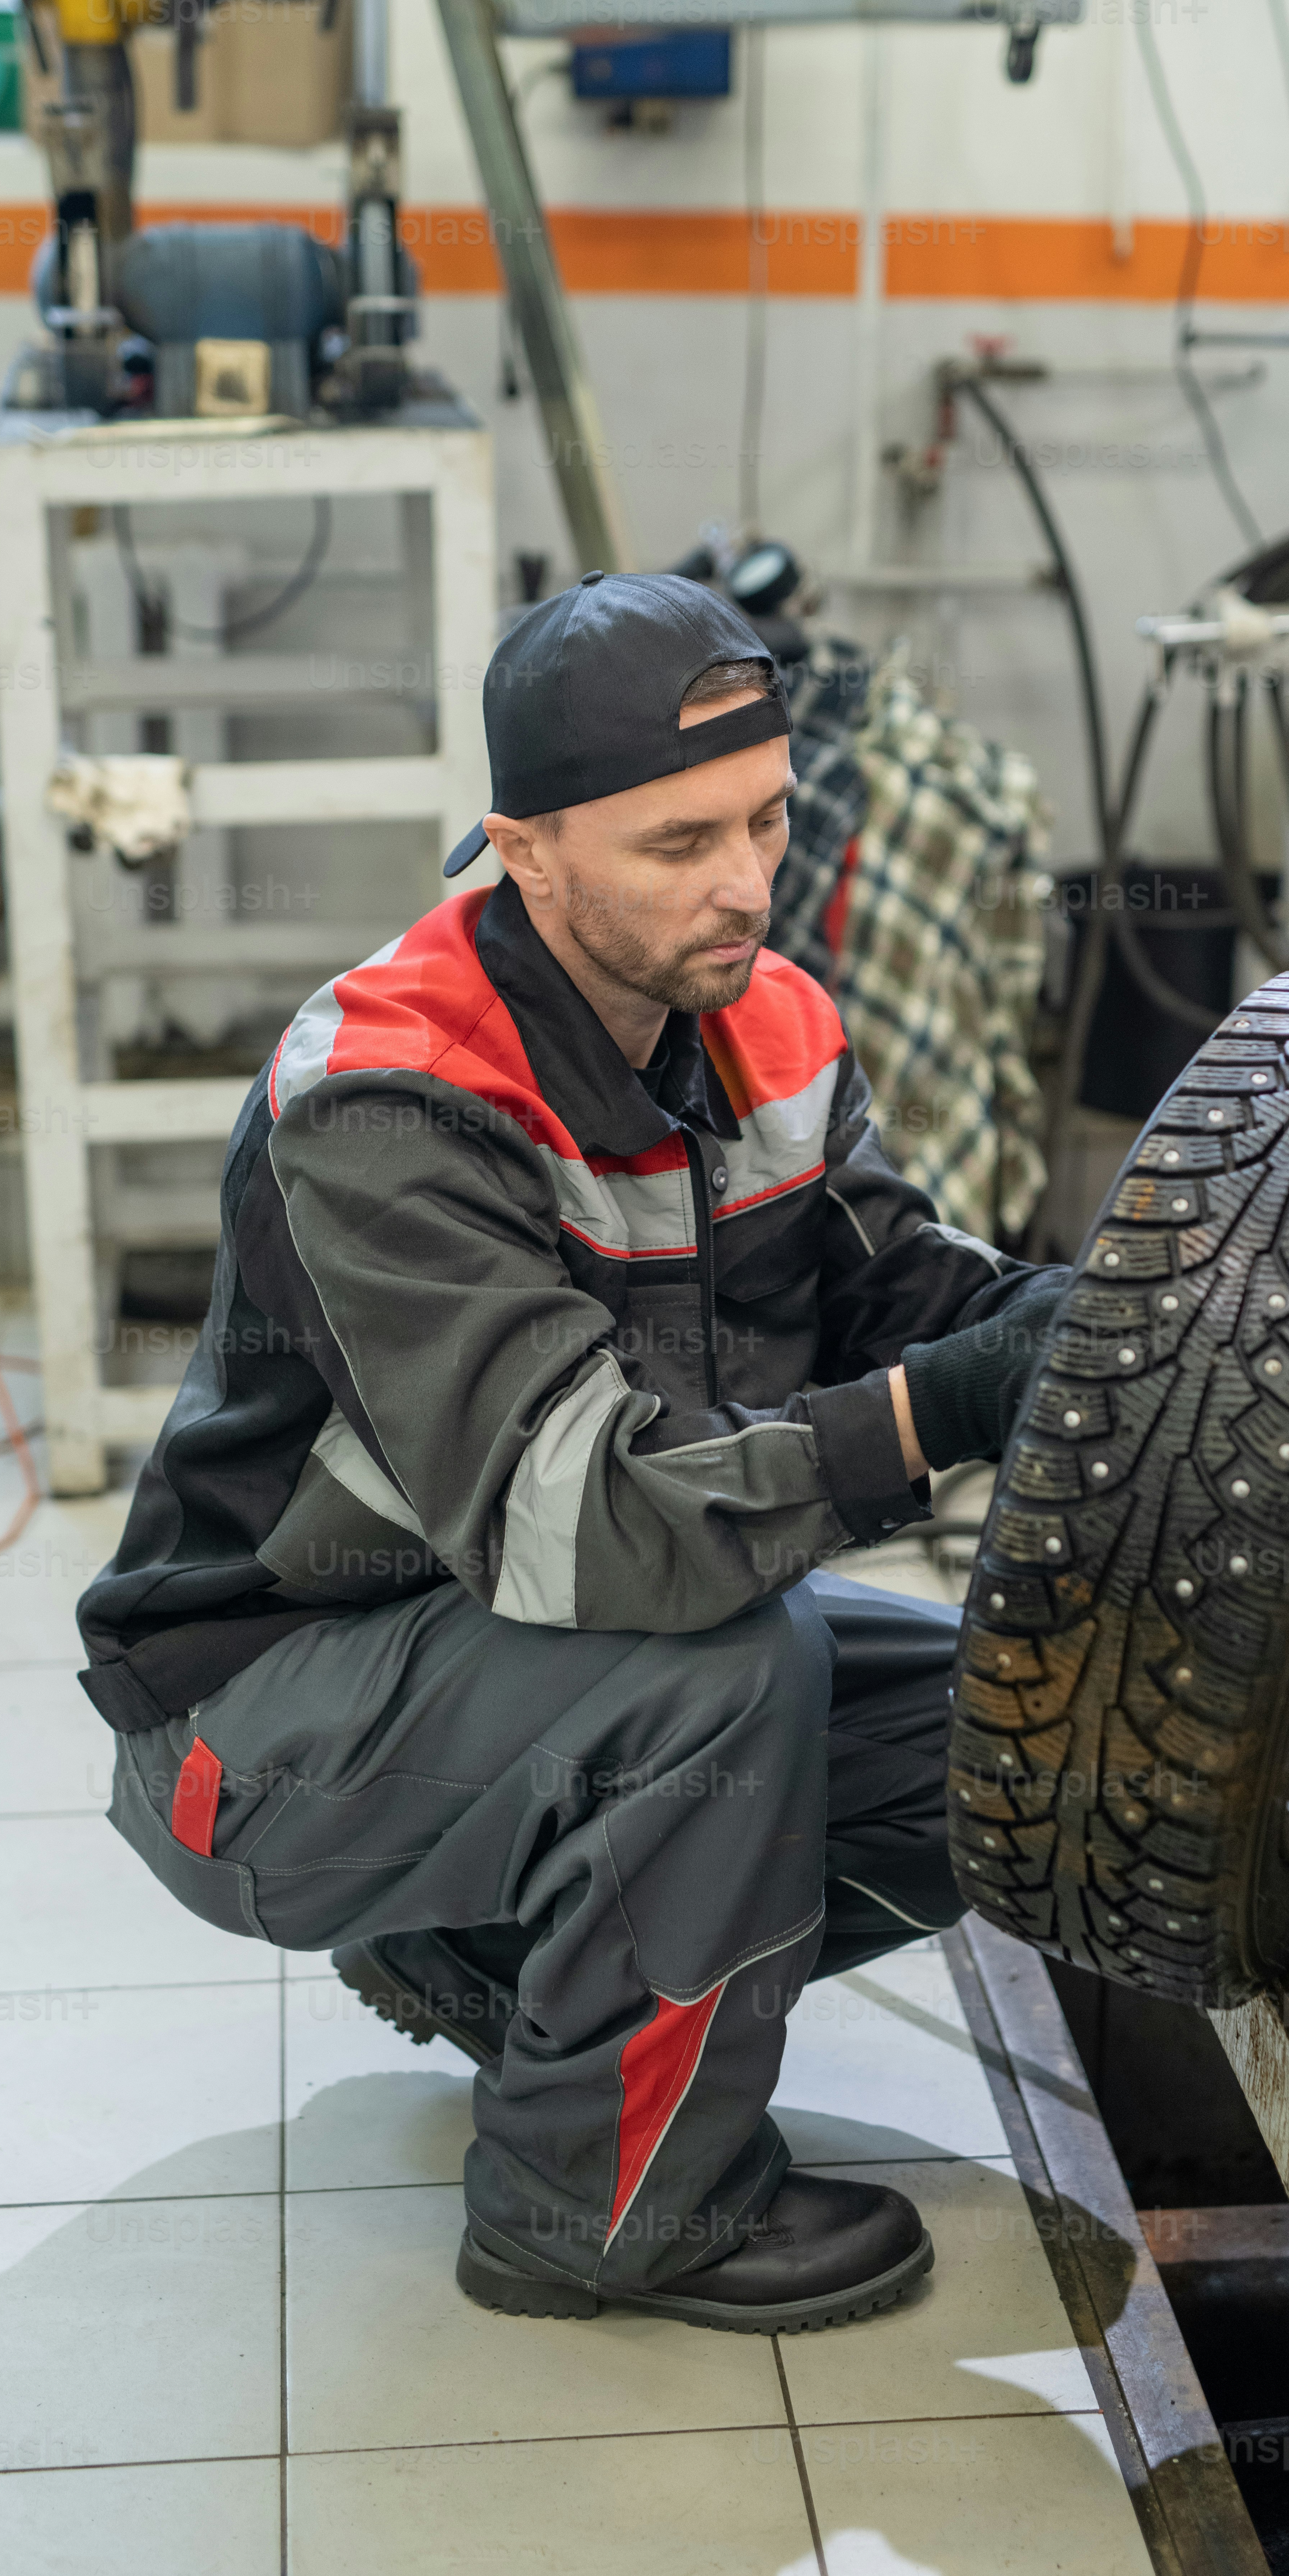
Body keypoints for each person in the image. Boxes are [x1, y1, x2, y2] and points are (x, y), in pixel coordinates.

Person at [78, 570, 1069, 2333]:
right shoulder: (386, 1098)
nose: (746, 885)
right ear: (524, 852)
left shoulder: (762, 1022)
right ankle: (594, 2207)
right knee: (723, 1676)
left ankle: (491, 1960)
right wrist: (938, 1414)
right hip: (258, 1722)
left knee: (1009, 1717)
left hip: (496, 1663)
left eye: (767, 820)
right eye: (677, 841)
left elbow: (903, 1295)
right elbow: (589, 1531)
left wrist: (1112, 1321)